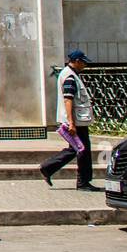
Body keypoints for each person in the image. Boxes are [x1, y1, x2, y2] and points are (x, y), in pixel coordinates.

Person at [41, 50, 98, 191]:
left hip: (77, 120)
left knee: (77, 149)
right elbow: (68, 100)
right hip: (75, 122)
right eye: (83, 62)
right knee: (81, 150)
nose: (85, 65)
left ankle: (49, 168)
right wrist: (71, 123)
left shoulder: (71, 75)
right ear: (77, 61)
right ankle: (81, 181)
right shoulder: (70, 76)